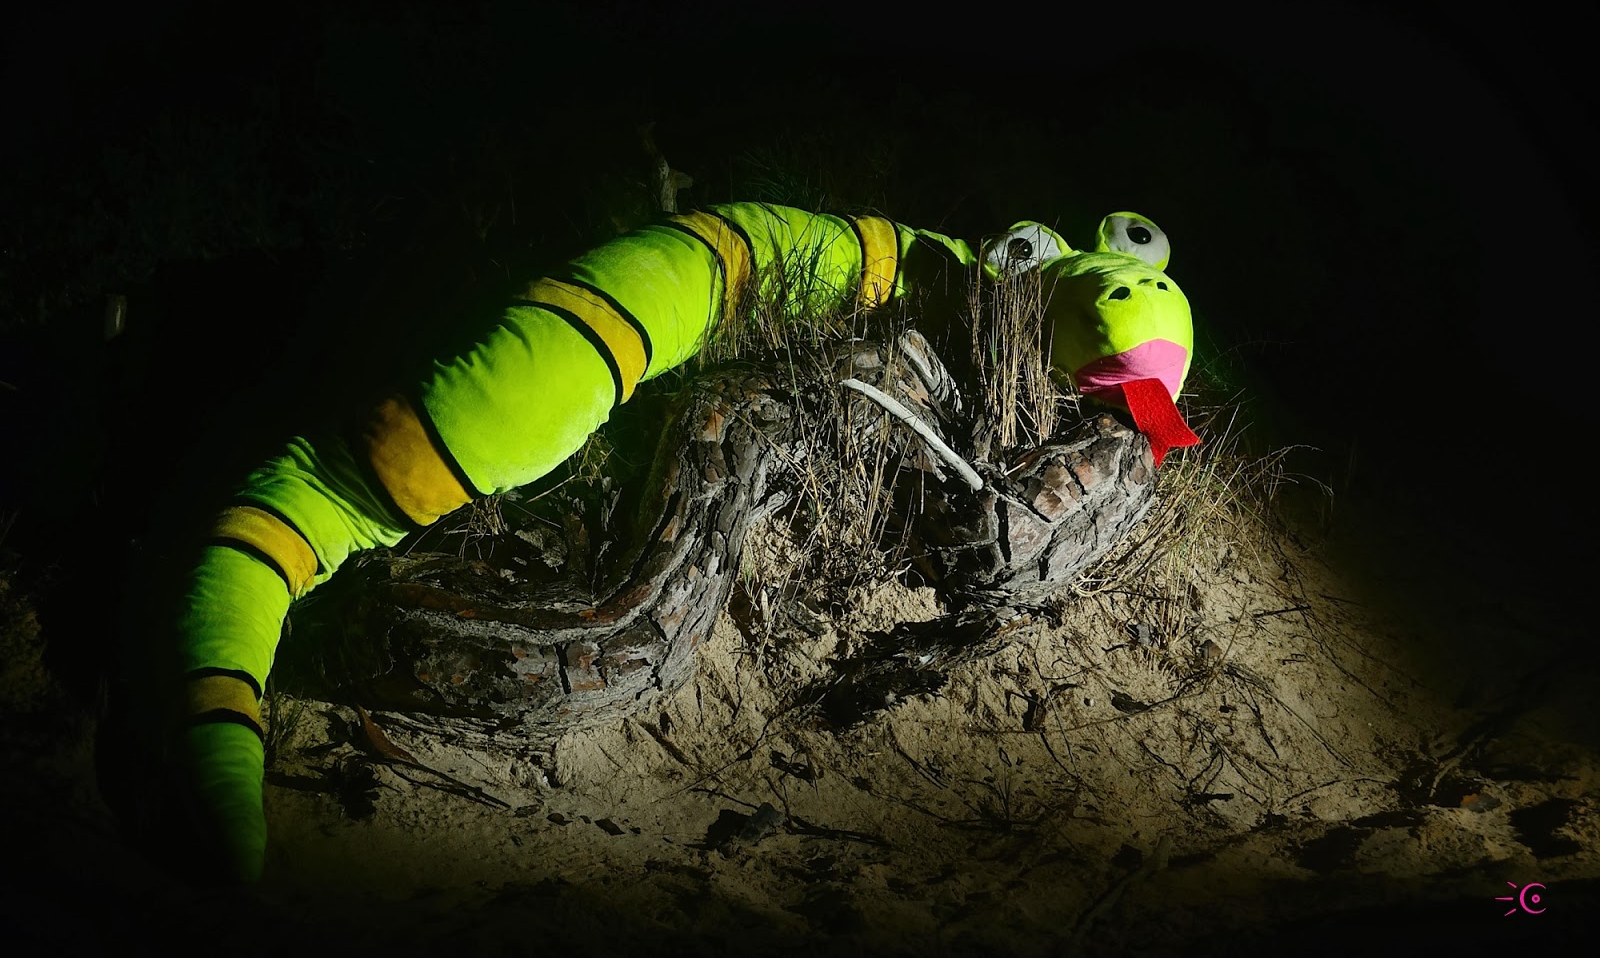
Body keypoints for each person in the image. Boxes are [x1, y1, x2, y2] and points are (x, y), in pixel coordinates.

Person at [126, 201, 1197, 882]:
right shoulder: (939, 306)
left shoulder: (967, 294)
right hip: (641, 314)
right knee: (421, 468)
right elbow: (995, 535)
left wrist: (1124, 431)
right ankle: (247, 603)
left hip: (693, 289)